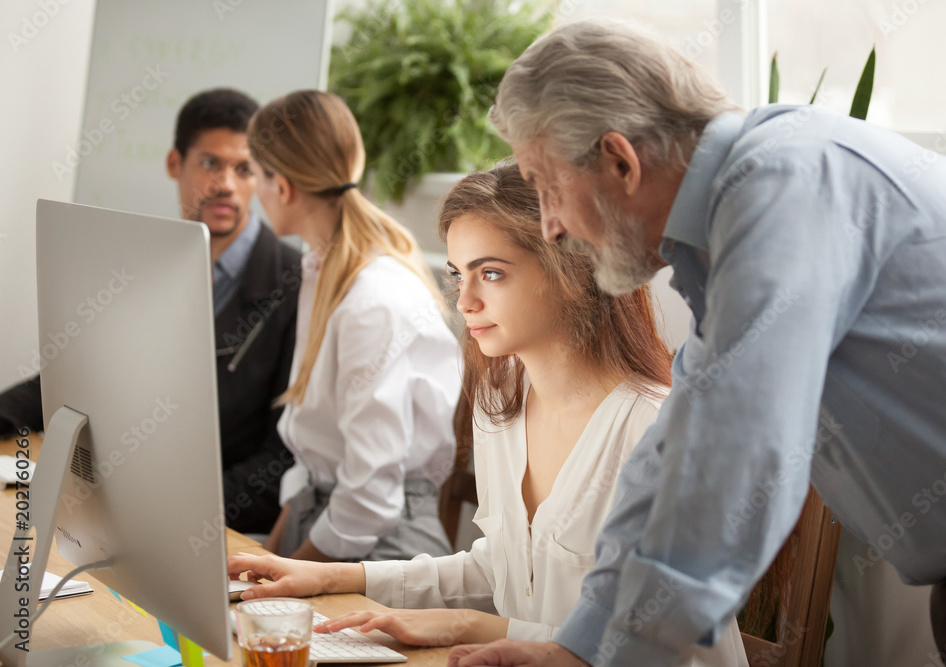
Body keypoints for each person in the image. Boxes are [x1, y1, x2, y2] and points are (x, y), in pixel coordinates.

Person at [448, 18, 946, 667]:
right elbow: (679, 451)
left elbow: (739, 460)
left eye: (547, 187)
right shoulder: (738, 215)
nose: (552, 225)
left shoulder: (780, 191)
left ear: (619, 160)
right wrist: (581, 645)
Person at [228, 161, 749, 665]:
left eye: (492, 273)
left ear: (572, 270)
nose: (465, 301)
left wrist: (475, 626)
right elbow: (501, 565)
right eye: (459, 275)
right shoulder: (501, 402)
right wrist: (334, 578)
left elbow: (658, 653)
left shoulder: (650, 431)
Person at [0, 88, 299, 536]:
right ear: (174, 164)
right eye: (210, 163)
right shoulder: (143, 263)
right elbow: (77, 373)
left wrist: (170, 517)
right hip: (121, 513)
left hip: (220, 529)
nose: (226, 185)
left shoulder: (295, 283)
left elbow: (282, 457)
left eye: (244, 169)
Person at [245, 90, 460, 563]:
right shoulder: (321, 270)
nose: (251, 191)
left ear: (281, 187)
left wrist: (289, 575)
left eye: (253, 174)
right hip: (322, 525)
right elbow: (315, 463)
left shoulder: (373, 302)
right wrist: (272, 563)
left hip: (383, 549)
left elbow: (369, 495)